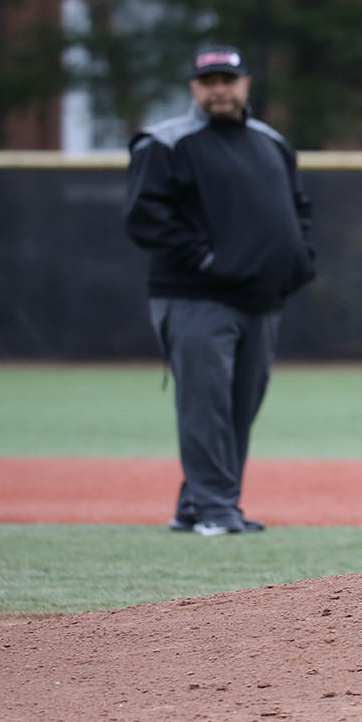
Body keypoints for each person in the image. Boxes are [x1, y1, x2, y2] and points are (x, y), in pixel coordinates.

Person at [123, 44, 316, 536]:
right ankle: (215, 509)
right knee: (205, 405)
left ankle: (197, 503)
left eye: (227, 81)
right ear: (194, 88)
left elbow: (298, 208)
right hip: (195, 295)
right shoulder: (166, 142)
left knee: (239, 407)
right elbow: (146, 218)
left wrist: (299, 260)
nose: (219, 91)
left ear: (245, 85)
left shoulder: (270, 141)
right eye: (208, 83)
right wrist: (208, 260)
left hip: (262, 298)